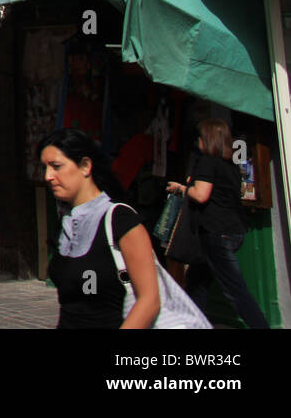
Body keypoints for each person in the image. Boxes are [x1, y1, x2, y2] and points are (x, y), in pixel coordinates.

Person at [39, 127, 161, 328]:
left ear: (85, 166)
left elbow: (149, 301)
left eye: (56, 166)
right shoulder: (66, 223)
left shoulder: (120, 220)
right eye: (45, 167)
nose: (48, 176)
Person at [168, 119, 270, 328]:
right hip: (232, 231)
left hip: (216, 232)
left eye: (199, 139)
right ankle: (193, 324)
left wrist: (181, 188)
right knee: (197, 282)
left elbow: (201, 195)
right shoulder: (230, 165)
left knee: (235, 290)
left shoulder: (208, 161)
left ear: (206, 140)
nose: (197, 143)